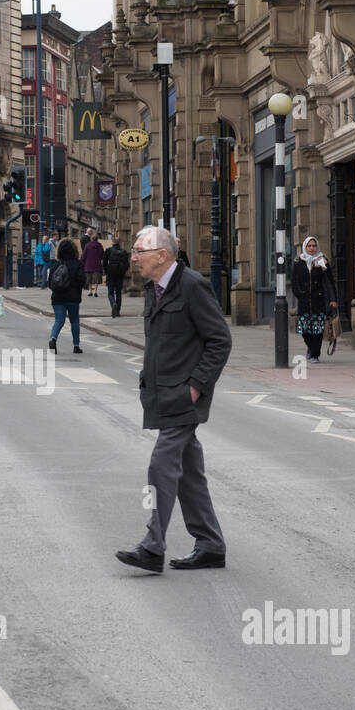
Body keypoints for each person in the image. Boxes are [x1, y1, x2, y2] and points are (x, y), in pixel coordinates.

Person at [116, 225, 232, 575]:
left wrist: (196, 386)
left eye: (139, 251)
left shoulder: (192, 285)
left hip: (184, 395)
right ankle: (210, 544)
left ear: (162, 255)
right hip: (160, 393)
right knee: (189, 474)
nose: (133, 258)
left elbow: (220, 341)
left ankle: (153, 546)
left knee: (161, 464)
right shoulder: (154, 289)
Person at [291, 236, 337, 363]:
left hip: (320, 301)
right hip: (304, 302)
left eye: (314, 246)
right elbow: (294, 281)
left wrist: (333, 299)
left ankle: (315, 354)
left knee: (317, 330)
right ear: (305, 247)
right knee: (305, 330)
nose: (312, 248)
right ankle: (310, 348)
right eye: (309, 246)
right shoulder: (298, 262)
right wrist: (300, 294)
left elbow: (329, 282)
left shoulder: (323, 261)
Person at [47, 238, 86, 354]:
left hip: (57, 298)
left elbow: (50, 283)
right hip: (73, 298)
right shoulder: (78, 264)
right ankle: (76, 346)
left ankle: (53, 338)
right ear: (74, 251)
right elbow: (82, 281)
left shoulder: (55, 265)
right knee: (74, 321)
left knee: (59, 320)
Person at [104, 235, 130, 318]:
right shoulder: (123, 251)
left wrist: (106, 271)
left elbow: (104, 263)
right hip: (120, 275)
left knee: (110, 293)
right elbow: (127, 264)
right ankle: (118, 311)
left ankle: (113, 303)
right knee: (118, 292)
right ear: (120, 243)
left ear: (112, 242)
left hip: (110, 274)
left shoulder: (108, 251)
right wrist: (123, 272)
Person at [83, 231, 105, 299]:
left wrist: (83, 260)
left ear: (91, 238)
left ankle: (90, 291)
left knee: (89, 278)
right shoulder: (100, 245)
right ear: (97, 239)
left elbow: (84, 255)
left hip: (88, 264)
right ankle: (95, 291)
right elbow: (102, 255)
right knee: (96, 279)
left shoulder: (87, 245)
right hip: (97, 264)